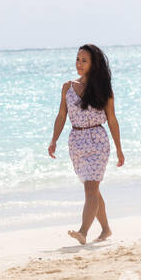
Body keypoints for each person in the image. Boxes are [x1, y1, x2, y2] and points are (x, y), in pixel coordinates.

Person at [47, 43, 123, 244]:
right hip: (76, 141)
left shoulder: (103, 89)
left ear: (93, 64)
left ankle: (83, 232)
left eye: (84, 60)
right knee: (93, 190)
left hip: (97, 140)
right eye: (77, 59)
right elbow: (61, 115)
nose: (79, 64)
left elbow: (113, 120)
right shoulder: (67, 87)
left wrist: (119, 149)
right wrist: (54, 140)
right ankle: (106, 230)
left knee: (90, 189)